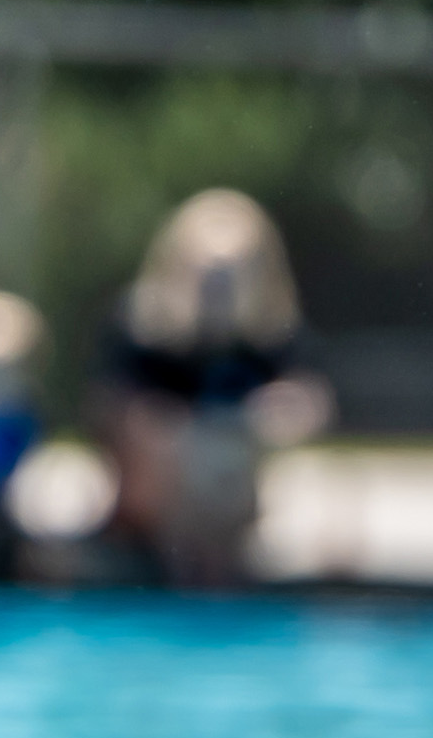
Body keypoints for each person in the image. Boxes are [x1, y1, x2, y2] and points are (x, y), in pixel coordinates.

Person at [93, 187, 331, 585]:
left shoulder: (273, 337)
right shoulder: (141, 334)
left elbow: (311, 407)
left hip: (236, 508)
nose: (217, 290)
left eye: (230, 275)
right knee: (170, 439)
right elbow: (113, 419)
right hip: (154, 514)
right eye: (208, 275)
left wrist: (270, 415)